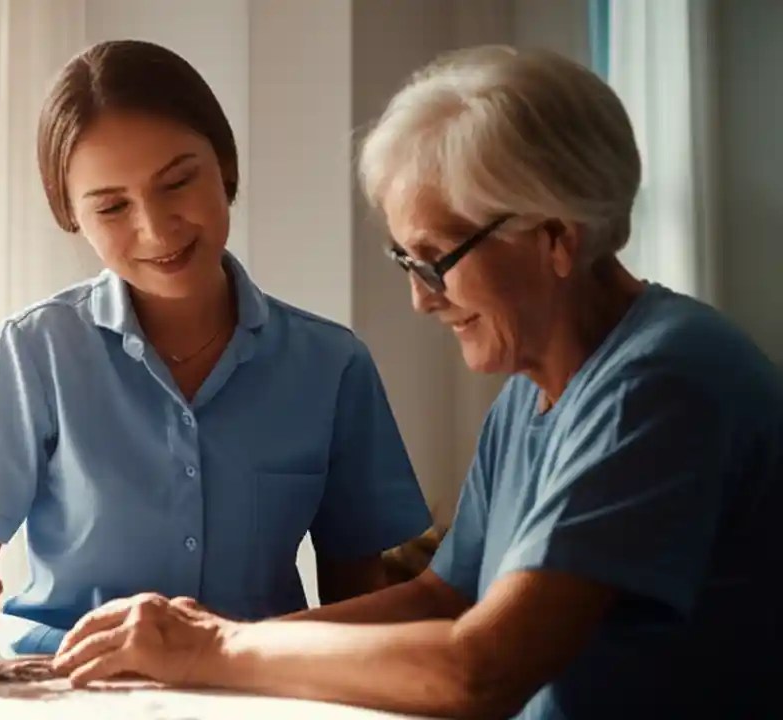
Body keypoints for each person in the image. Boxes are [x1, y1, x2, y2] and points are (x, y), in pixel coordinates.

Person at [51, 45, 783, 719]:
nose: (421, 298)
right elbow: (444, 595)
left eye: (435, 259)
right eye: (406, 262)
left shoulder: (659, 385)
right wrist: (219, 636)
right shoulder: (535, 390)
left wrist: (213, 652)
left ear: (555, 237)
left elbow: (482, 670)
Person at [0, 39, 430, 672]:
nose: (156, 228)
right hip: (61, 688)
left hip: (250, 691)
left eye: (179, 181)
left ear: (225, 166)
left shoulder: (332, 366)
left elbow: (360, 600)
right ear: (72, 215)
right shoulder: (36, 350)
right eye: (112, 206)